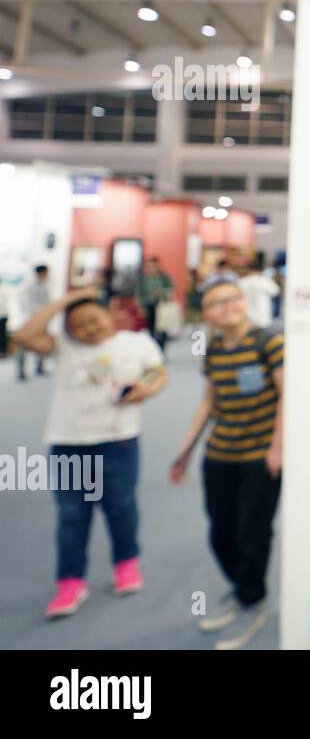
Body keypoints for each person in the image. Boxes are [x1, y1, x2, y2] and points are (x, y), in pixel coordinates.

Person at [12, 286, 167, 618]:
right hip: (70, 445)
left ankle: (126, 563)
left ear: (108, 315)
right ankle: (70, 582)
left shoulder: (136, 342)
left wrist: (146, 390)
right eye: (79, 325)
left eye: (95, 320)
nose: (89, 329)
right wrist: (67, 300)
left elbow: (157, 373)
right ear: (68, 329)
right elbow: (23, 335)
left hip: (119, 442)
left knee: (121, 508)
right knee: (71, 517)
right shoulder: (63, 348)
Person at [169, 280, 284, 650]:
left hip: (257, 456)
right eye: (217, 303)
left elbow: (287, 396)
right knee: (221, 533)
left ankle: (252, 600)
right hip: (220, 453)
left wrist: (277, 449)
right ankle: (244, 591)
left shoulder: (268, 341)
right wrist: (185, 451)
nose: (229, 307)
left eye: (233, 299)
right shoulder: (214, 348)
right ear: (207, 314)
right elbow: (208, 403)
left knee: (254, 532)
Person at [17, 264, 51, 380]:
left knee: (41, 343)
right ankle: (21, 371)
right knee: (24, 346)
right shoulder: (29, 286)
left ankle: (39, 367)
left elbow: (47, 303)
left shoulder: (45, 286)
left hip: (42, 320)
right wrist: (37, 313)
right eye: (45, 273)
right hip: (30, 320)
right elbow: (25, 304)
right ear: (40, 273)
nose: (46, 276)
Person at [135, 256, 174, 354]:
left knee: (163, 328)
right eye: (148, 266)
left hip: (162, 305)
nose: (150, 268)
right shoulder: (142, 279)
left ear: (157, 266)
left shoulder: (164, 277)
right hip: (149, 305)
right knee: (151, 328)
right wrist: (140, 307)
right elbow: (138, 293)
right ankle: (153, 351)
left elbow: (171, 289)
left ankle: (162, 349)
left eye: (152, 266)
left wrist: (162, 292)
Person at [237, 261, 280, 330]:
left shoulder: (242, 282)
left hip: (247, 316)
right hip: (263, 316)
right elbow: (275, 291)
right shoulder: (265, 281)